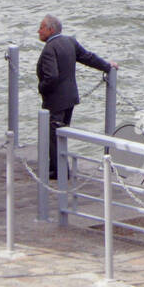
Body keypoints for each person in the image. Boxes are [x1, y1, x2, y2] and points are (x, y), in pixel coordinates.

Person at [35, 14, 116, 178]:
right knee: (61, 133)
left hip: (55, 100)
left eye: (41, 27)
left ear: (51, 30)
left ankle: (59, 171)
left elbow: (52, 77)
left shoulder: (50, 48)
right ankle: (57, 167)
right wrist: (107, 66)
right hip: (70, 98)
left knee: (54, 135)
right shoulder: (69, 42)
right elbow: (88, 57)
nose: (38, 31)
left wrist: (41, 88)